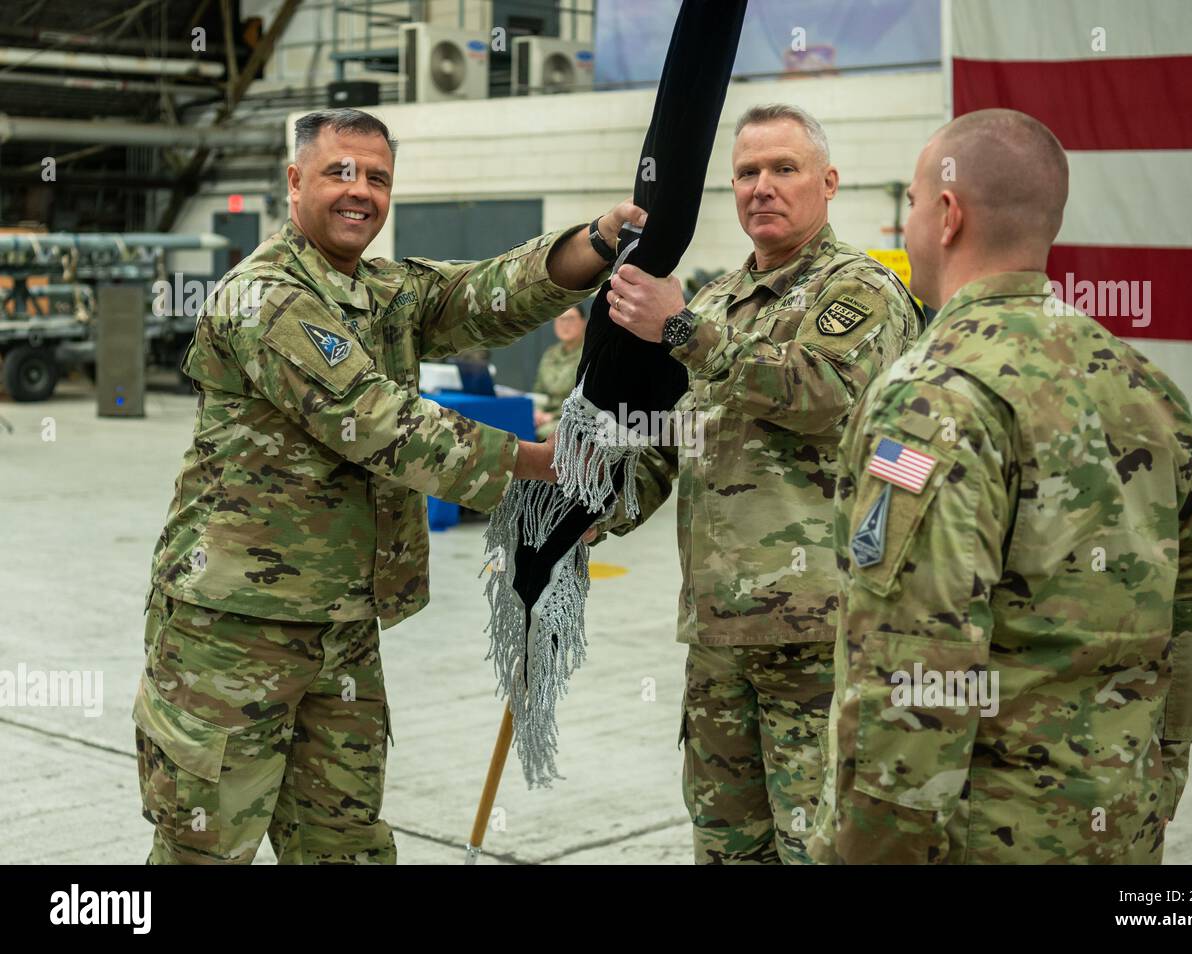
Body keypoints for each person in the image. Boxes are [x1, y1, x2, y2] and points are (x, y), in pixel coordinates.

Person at [134, 107, 641, 864]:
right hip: (233, 630)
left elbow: (485, 294)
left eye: (377, 177)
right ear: (294, 180)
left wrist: (596, 243)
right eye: (340, 171)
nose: (359, 191)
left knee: (347, 846)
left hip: (341, 628)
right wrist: (542, 464)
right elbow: (373, 420)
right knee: (206, 850)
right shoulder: (264, 296)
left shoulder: (379, 292)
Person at [810, 108, 1192, 864]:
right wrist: (1155, 784)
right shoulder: (1150, 388)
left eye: (907, 201)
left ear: (947, 212)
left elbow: (917, 659)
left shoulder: (932, 394)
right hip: (1120, 827)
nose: (905, 221)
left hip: (983, 840)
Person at [589, 103, 921, 864]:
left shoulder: (859, 292)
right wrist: (591, 505)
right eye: (746, 172)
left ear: (829, 182)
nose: (761, 187)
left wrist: (679, 332)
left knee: (820, 847)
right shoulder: (710, 301)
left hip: (817, 634)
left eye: (784, 168)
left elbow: (821, 392)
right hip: (718, 636)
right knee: (729, 846)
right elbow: (671, 444)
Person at [532, 304, 586, 438]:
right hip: (545, 418)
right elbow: (538, 391)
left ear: (583, 322)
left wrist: (553, 416)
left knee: (542, 434)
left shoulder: (588, 355)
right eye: (561, 319)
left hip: (575, 420)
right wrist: (537, 412)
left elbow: (587, 401)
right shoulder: (550, 354)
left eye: (571, 319)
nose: (565, 325)